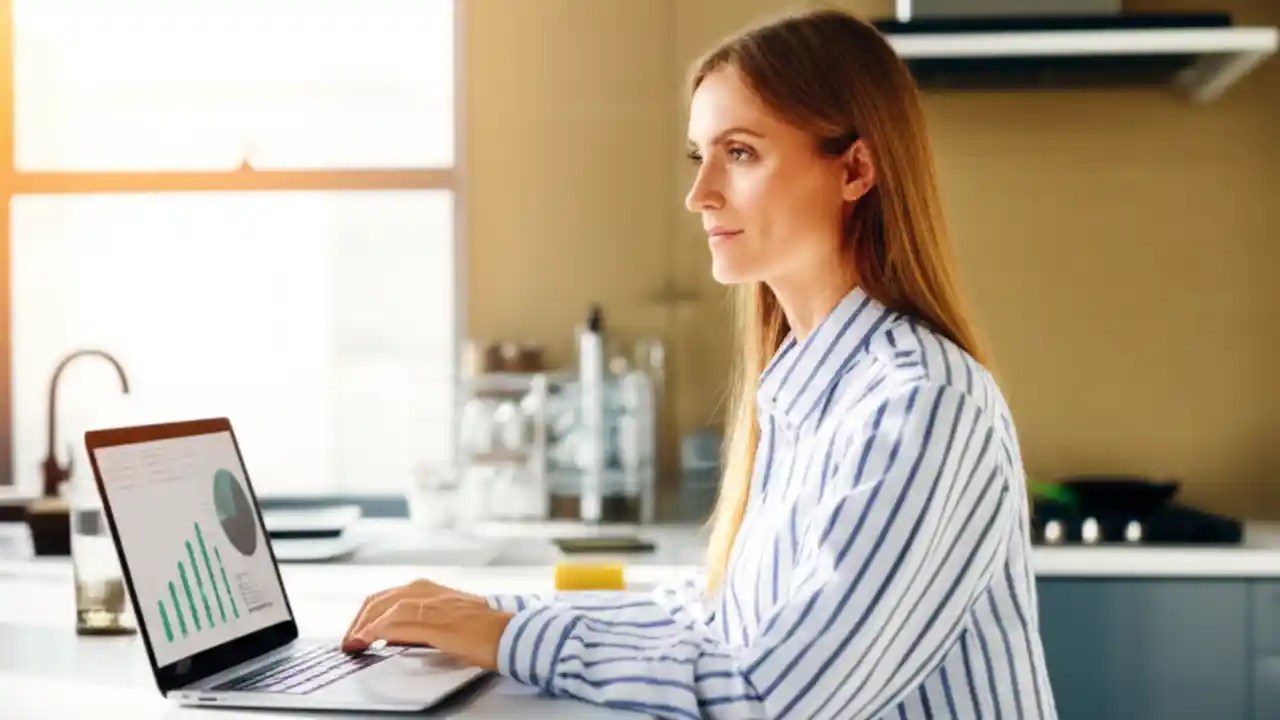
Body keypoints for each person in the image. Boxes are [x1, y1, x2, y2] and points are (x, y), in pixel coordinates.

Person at [342, 8, 1058, 719]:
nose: (700, 193)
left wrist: (508, 636)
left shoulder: (923, 402)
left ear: (856, 169)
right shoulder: (807, 390)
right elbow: (716, 619)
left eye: (740, 153)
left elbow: (772, 697)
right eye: (701, 155)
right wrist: (484, 613)